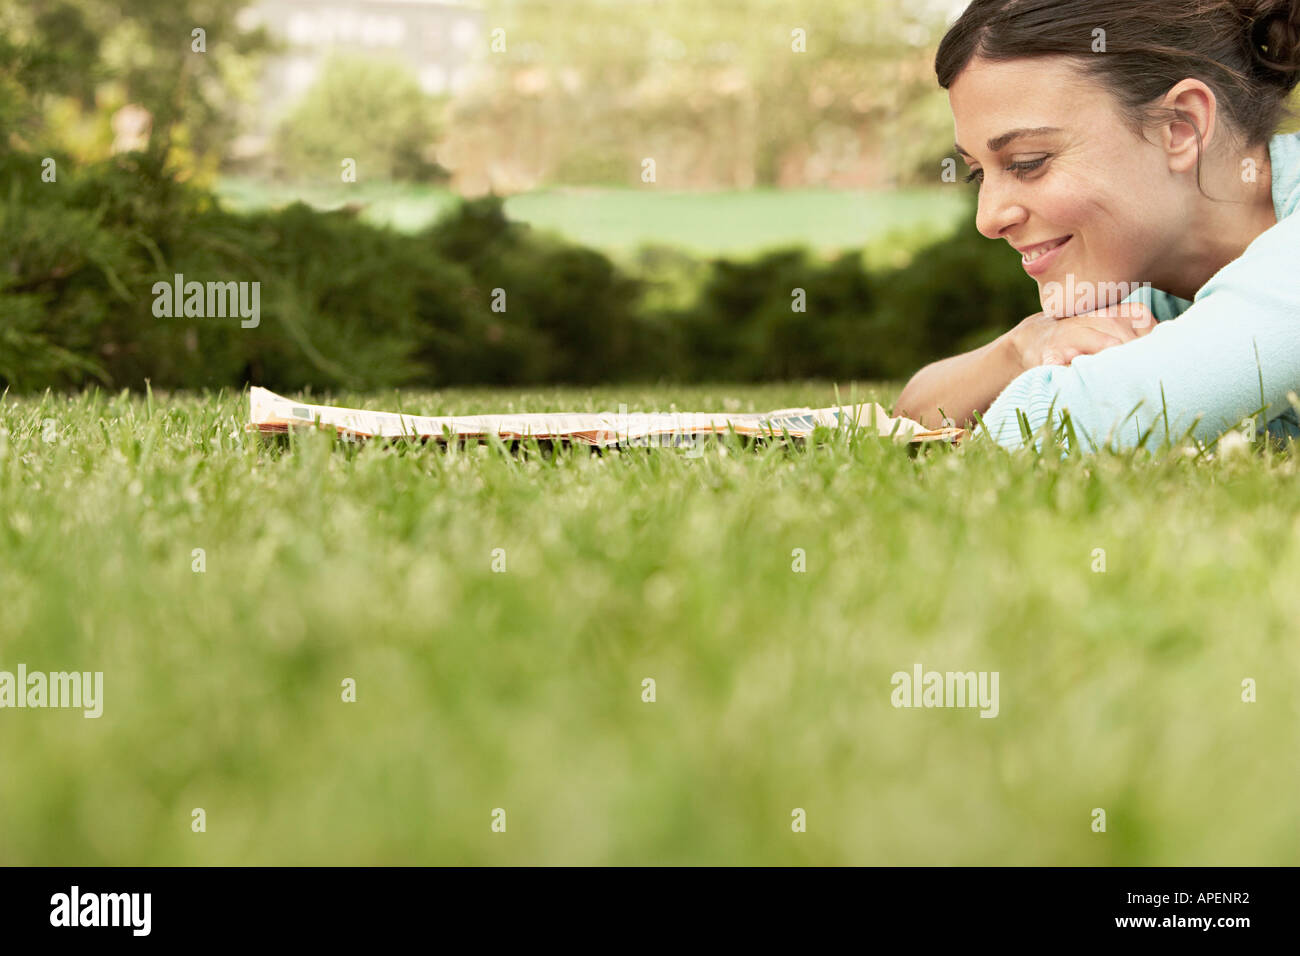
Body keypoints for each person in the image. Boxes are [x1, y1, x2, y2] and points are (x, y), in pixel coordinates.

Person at [893, 0, 1300, 453]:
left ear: (1181, 126)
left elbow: (1067, 425)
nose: (987, 220)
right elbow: (913, 412)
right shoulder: (1144, 288)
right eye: (977, 173)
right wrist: (1024, 345)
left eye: (1029, 162)